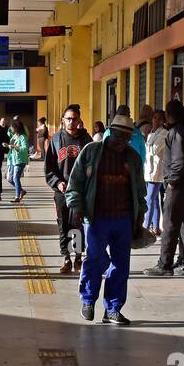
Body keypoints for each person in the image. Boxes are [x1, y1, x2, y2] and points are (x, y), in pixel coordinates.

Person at [65, 114, 146, 326]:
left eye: (126, 138)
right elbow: (76, 182)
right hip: (96, 218)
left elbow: (140, 191)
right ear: (111, 131)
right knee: (94, 259)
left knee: (121, 265)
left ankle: (113, 309)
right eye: (119, 136)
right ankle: (88, 300)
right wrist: (75, 206)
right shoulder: (91, 152)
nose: (122, 142)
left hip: (123, 220)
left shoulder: (133, 158)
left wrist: (139, 218)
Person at [144, 100, 184, 277]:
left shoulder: (176, 132)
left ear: (169, 116)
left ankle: (165, 264)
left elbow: (179, 161)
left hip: (178, 186)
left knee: (169, 224)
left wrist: (171, 181)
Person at [45, 104, 94, 275]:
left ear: (79, 120)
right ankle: (66, 257)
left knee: (77, 225)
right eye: (68, 118)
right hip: (62, 191)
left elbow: (94, 165)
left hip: (80, 191)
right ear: (62, 120)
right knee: (63, 224)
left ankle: (79, 257)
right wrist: (57, 182)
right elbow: (49, 167)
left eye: (74, 118)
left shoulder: (86, 141)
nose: (71, 122)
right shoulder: (56, 140)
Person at [144, 108, 169, 235]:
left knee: (149, 200)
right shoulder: (151, 133)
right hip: (149, 171)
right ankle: (156, 228)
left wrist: (147, 141)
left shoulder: (164, 133)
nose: (156, 120)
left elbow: (154, 150)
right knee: (154, 201)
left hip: (157, 172)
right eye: (155, 118)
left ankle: (145, 228)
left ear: (163, 121)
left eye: (159, 118)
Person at [7, 118, 30, 203]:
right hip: (13, 159)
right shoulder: (13, 136)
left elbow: (24, 149)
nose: (11, 128)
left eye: (12, 127)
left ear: (16, 128)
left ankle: (17, 196)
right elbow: (11, 143)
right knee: (10, 179)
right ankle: (21, 190)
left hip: (20, 160)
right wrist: (9, 146)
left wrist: (14, 147)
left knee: (16, 178)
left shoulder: (22, 137)